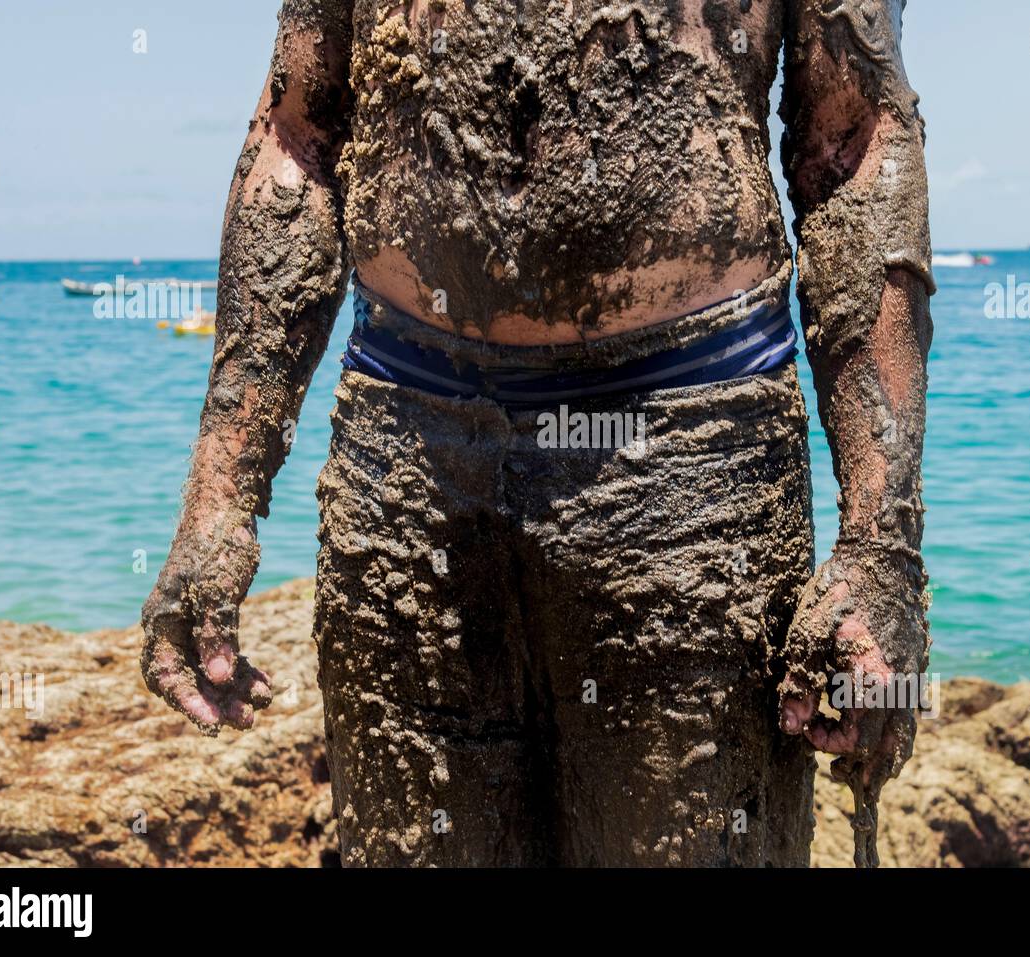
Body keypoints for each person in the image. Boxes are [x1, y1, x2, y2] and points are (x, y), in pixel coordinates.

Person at [142, 0, 934, 867]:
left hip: (693, 451)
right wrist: (219, 496)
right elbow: (300, 137)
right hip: (402, 449)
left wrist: (880, 546)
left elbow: (853, 144)